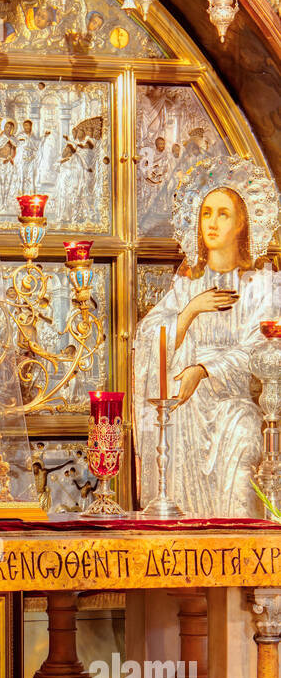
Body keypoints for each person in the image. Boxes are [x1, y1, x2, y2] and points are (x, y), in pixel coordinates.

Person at [134, 159, 279, 517]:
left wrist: (203, 368)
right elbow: (150, 335)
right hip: (189, 410)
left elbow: (262, 350)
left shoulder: (262, 283)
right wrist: (190, 311)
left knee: (245, 443)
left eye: (223, 214)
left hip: (235, 407)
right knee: (175, 428)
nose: (212, 223)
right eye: (206, 213)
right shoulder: (187, 284)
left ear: (242, 222)